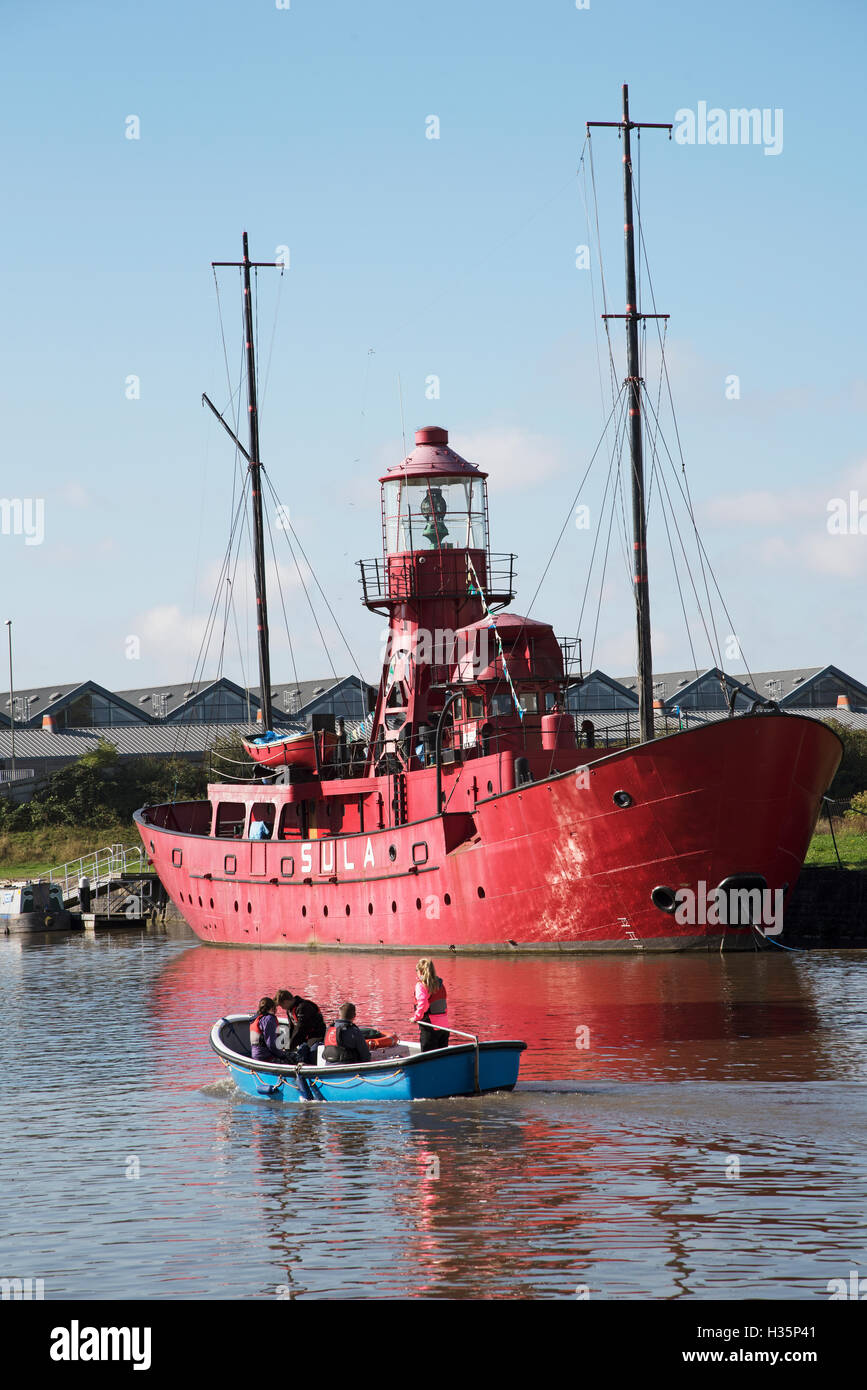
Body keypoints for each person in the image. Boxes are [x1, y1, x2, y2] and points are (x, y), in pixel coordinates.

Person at [411, 958, 450, 1052]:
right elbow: (443, 1004)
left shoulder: (421, 985)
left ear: (420, 971)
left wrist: (416, 1018)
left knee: (428, 1057)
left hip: (430, 1027)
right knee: (441, 1057)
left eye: (416, 971)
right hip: (444, 1027)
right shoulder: (440, 984)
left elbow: (423, 1002)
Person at [281, 991, 327, 1064]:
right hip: (304, 1039)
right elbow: (291, 1028)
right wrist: (285, 1044)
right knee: (301, 1055)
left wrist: (289, 1046)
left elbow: (301, 1029)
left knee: (312, 1054)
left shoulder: (304, 1007)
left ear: (286, 1001)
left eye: (281, 1005)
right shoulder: (289, 1010)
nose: (282, 1008)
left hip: (316, 1036)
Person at [250, 996, 290, 1063]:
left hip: (256, 1055)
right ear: (272, 1008)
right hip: (266, 1057)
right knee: (296, 1058)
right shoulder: (269, 1019)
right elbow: (271, 1045)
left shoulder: (257, 1019)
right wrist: (282, 1055)